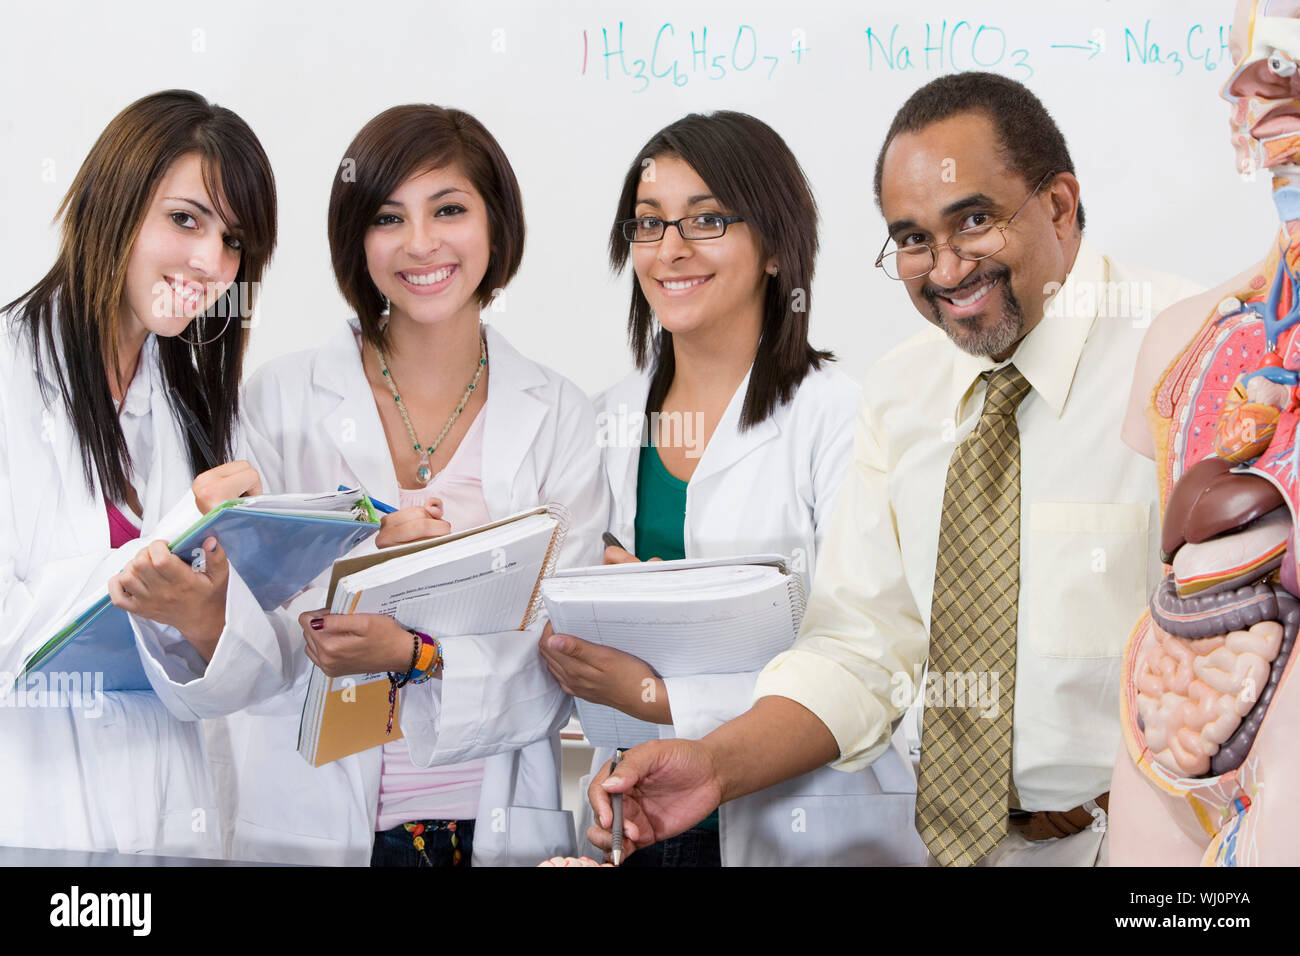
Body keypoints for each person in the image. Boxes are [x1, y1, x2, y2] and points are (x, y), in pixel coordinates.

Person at [586, 72, 1203, 867]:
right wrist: (713, 765)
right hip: (959, 852)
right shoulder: (907, 393)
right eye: (912, 238)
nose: (945, 270)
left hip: (1151, 851)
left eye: (973, 220)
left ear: (1058, 204)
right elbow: (859, 650)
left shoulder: (1189, 355)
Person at [170, 104, 608, 867]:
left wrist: (416, 654)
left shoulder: (562, 413)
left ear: (496, 225)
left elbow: (561, 650)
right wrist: (367, 561)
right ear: (356, 239)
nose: (421, 244)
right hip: (304, 823)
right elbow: (245, 622)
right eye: (387, 217)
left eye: (449, 210)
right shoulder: (276, 400)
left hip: (496, 823)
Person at [540, 111, 924, 867]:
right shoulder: (601, 421)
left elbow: (870, 662)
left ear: (777, 247)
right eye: (648, 225)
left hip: (809, 830)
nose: (671, 249)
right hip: (640, 824)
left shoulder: (844, 419)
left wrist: (660, 691)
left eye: (707, 219)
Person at [0, 89, 276, 856]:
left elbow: (263, 666)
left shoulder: (204, 410)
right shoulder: (9, 376)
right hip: (29, 823)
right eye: (186, 219)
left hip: (173, 822)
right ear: (113, 203)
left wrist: (207, 622)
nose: (210, 262)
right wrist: (173, 535)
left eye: (233, 240)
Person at [1110, 0, 1300, 866]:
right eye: (1244, 59)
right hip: (1174, 725)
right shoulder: (1184, 344)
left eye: (1286, 48)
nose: (1257, 82)